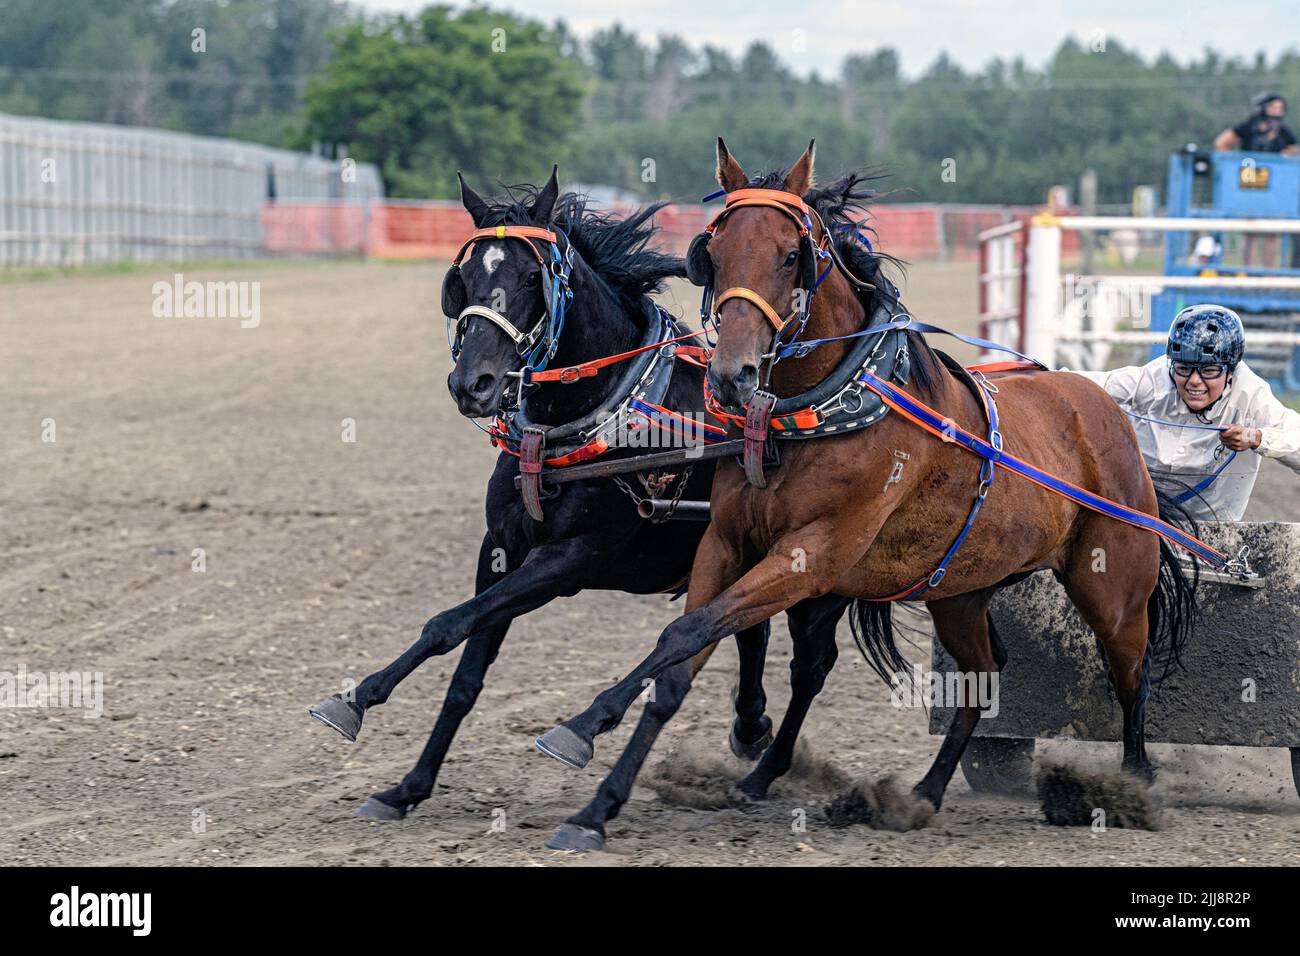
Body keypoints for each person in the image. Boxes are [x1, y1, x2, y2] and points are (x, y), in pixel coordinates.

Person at [1070, 304, 1300, 521]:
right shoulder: (1151, 379)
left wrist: (1257, 438)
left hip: (1214, 531)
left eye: (1208, 371)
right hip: (1139, 522)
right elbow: (1082, 385)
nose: (1194, 382)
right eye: (1184, 369)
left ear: (1231, 371)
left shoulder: (1251, 395)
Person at [1214, 92, 1299, 155]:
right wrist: (1232, 163)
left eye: (1280, 108)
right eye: (1272, 107)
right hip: (1248, 173)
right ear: (1263, 108)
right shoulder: (1249, 127)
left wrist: (1291, 154)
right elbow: (1221, 143)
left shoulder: (1284, 133)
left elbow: (1293, 153)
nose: (1276, 112)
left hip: (1275, 174)